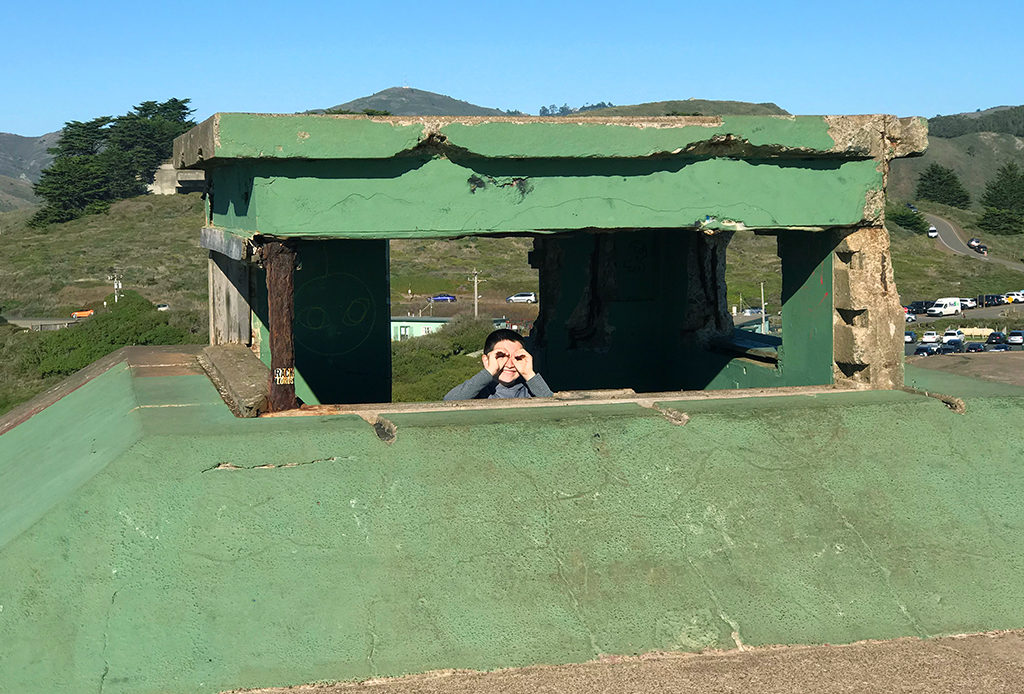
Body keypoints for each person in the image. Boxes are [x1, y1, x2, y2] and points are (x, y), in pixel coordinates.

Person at [444, 329, 553, 400]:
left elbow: (554, 409)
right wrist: (489, 371)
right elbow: (449, 401)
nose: (510, 364)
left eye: (517, 357)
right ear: (486, 360)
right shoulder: (477, 392)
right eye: (501, 356)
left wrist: (529, 374)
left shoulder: (531, 391)